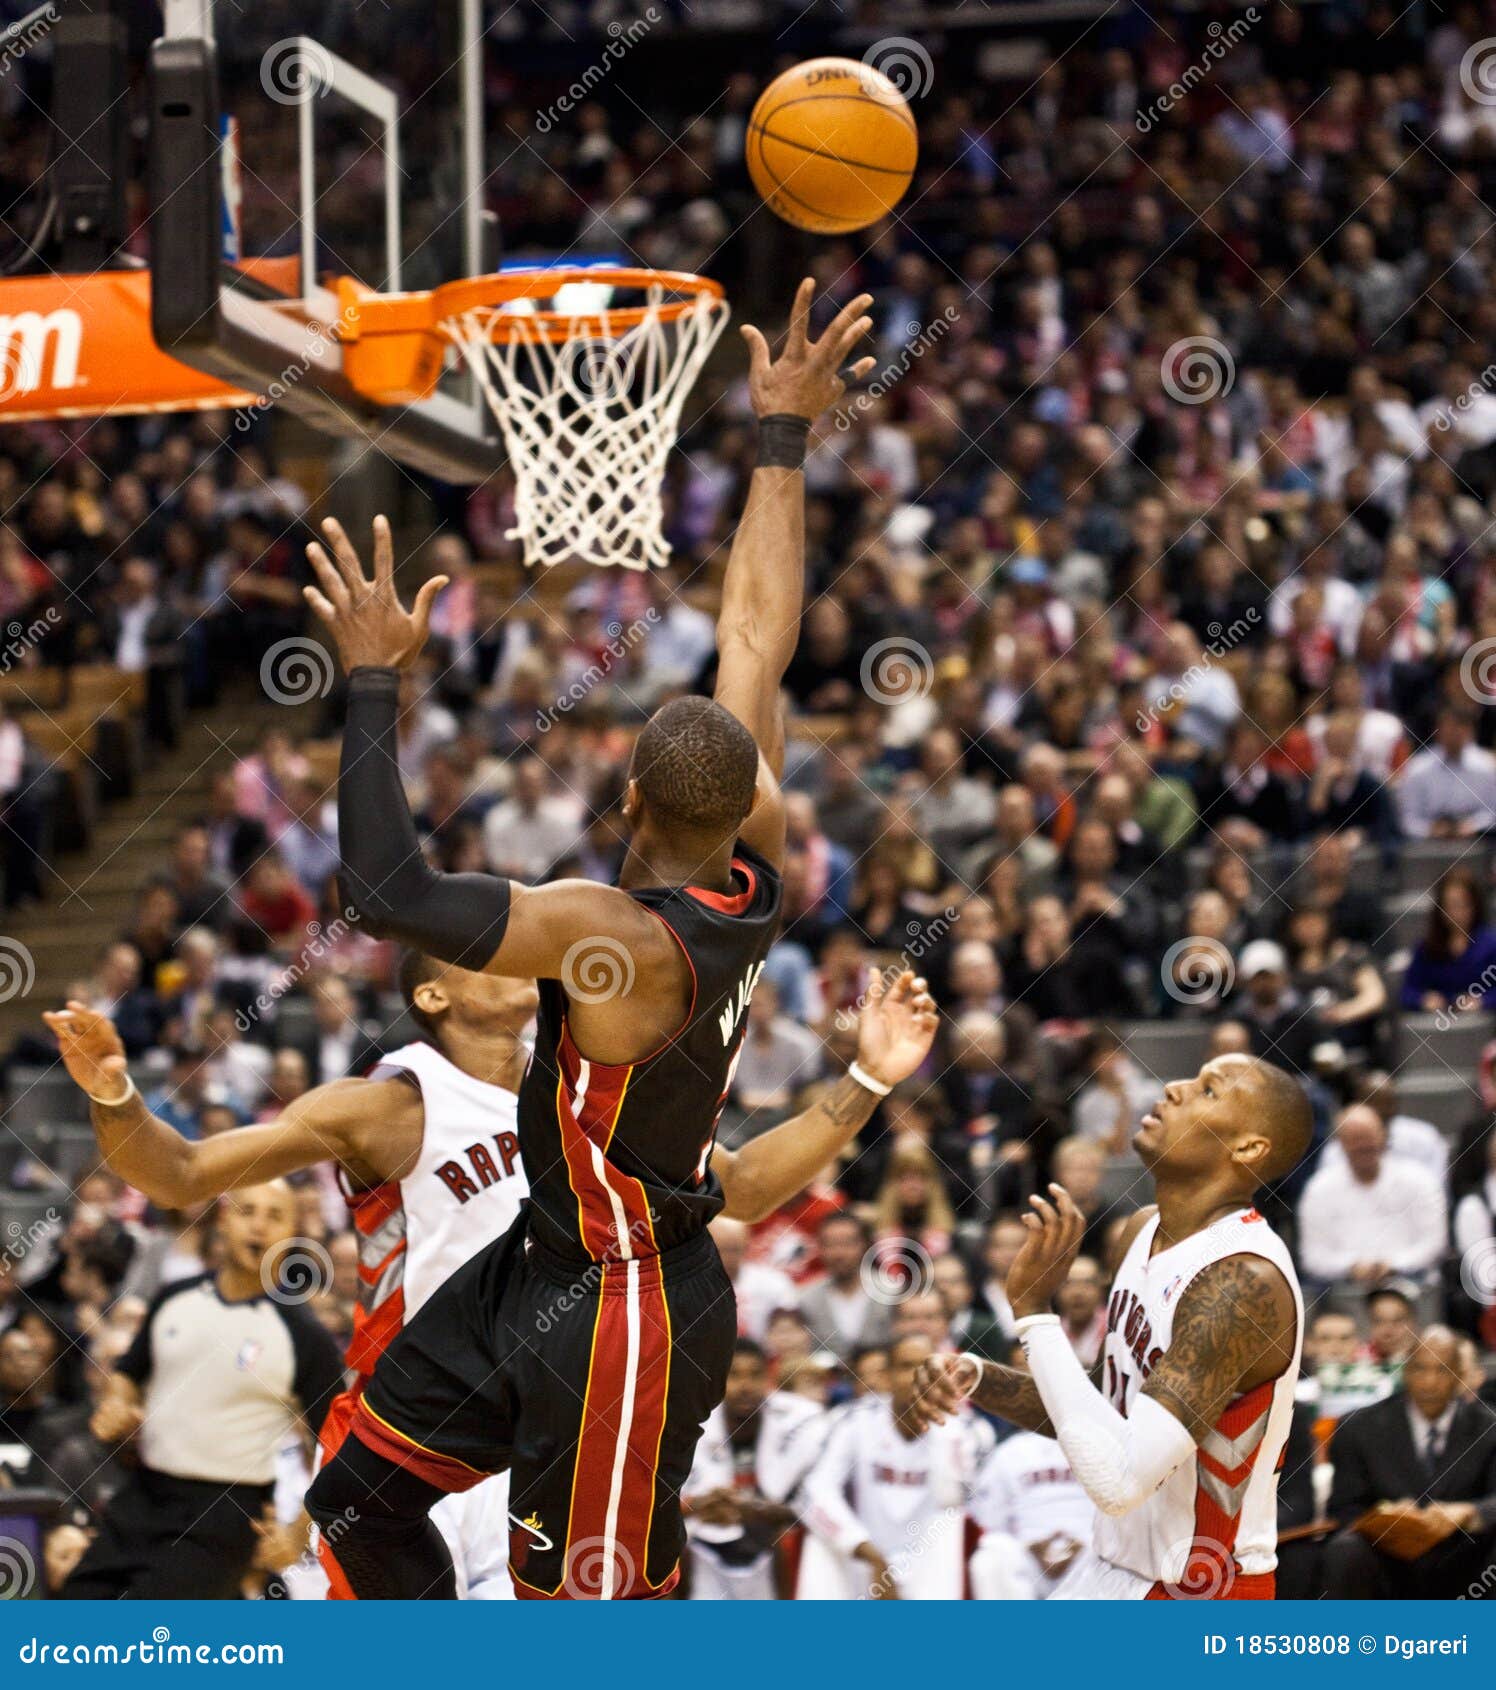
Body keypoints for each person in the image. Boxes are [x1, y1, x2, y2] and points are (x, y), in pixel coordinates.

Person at [300, 279, 882, 1601]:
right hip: (541, 1261)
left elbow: (384, 884)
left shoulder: (610, 937)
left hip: (625, 1305)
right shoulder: (761, 851)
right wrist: (780, 439)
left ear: (629, 799)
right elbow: (756, 637)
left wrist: (376, 675)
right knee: (359, 1498)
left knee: (596, 1613)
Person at [46, 957, 937, 1600]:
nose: (516, 951)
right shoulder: (396, 1101)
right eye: (481, 952)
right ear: (432, 992)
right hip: (415, 1433)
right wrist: (117, 1094)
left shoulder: (582, 1090)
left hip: (553, 1426)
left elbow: (739, 1189)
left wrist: (865, 1077)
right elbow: (185, 1174)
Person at [913, 1053, 1313, 1600]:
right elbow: (1101, 1416)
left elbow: (1120, 1479)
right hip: (1112, 1566)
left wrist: (1032, 1311)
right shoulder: (1138, 1230)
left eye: (1208, 1091)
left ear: (1247, 1148)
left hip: (1197, 1589)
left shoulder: (1243, 1280)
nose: (1174, 1086)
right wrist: (979, 1378)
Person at [60, 1182, 344, 1599]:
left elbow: (339, 1451)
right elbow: (128, 1373)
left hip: (225, 1513)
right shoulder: (173, 1298)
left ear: (293, 1235)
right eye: (247, 1210)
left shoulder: (305, 1335)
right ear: (224, 1221)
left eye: (275, 1216)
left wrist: (299, 1532)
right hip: (142, 1494)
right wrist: (117, 1403)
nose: (259, 1226)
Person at [800, 1332, 995, 1599]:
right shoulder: (853, 1421)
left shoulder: (967, 1432)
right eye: (906, 1367)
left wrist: (946, 1441)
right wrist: (867, 1552)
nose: (919, 1377)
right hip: (864, 1557)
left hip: (932, 1566)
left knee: (954, 1526)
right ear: (887, 1376)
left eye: (928, 1368)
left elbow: (972, 1511)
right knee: (818, 1544)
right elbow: (816, 1492)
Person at [1323, 1328, 1496, 1598]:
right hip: (1387, 1559)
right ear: (1404, 1372)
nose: (1429, 1382)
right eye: (1420, 1369)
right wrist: (1385, 1515)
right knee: (1345, 1550)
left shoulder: (1489, 1427)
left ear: (1460, 1376)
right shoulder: (1358, 1428)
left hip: (1466, 1556)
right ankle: (1349, 1636)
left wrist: (1469, 1512)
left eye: (1442, 1370)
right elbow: (1343, 1509)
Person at [681, 1339, 814, 1601]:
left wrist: (759, 1510)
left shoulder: (800, 1420)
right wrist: (698, 1505)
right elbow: (669, 1499)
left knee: (791, 1537)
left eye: (755, 1375)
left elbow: (813, 1500)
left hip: (769, 1541)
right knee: (670, 1542)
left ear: (769, 1378)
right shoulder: (691, 1421)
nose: (745, 1386)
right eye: (734, 1375)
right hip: (704, 1542)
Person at [1296, 1106, 1448, 1299]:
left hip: (1411, 1282)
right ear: (1340, 1144)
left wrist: (1393, 1264)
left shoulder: (1420, 1180)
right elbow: (1312, 1256)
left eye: (1367, 1138)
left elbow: (1434, 1244)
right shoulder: (1318, 1189)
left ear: (1383, 1136)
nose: (1362, 1146)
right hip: (1343, 1288)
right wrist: (1352, 1266)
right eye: (1355, 1140)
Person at [969, 1429, 1095, 1600]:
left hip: (1088, 1557)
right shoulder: (1011, 1451)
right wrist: (1029, 1547)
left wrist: (1085, 1546)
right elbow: (990, 1522)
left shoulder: (1102, 1445)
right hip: (1029, 1560)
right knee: (991, 1555)